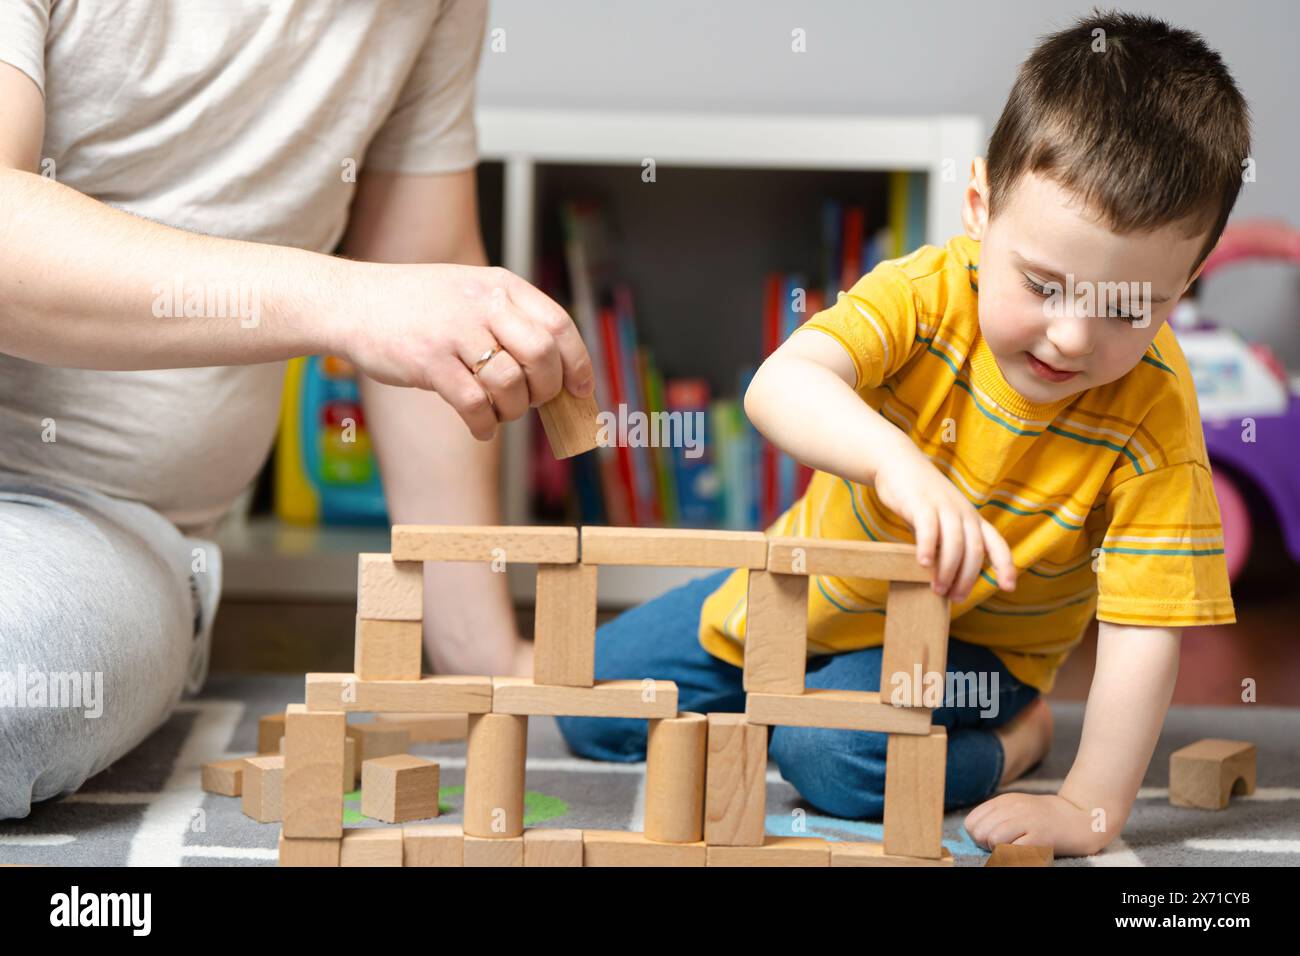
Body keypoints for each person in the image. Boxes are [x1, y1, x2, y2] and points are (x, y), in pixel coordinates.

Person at [557, 11, 1247, 858]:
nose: (1071, 337)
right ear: (979, 207)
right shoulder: (922, 295)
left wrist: (1089, 808)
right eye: (1040, 284)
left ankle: (1015, 735)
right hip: (806, 602)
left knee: (829, 756)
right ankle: (794, 694)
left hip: (974, 648)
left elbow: (1145, 635)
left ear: (1182, 288)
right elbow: (782, 386)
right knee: (584, 697)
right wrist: (898, 464)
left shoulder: (1154, 419)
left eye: (1126, 307)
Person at [0, 0, 593, 820]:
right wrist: (347, 300)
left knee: (17, 685)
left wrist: (480, 654)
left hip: (97, 528)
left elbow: (421, 274)